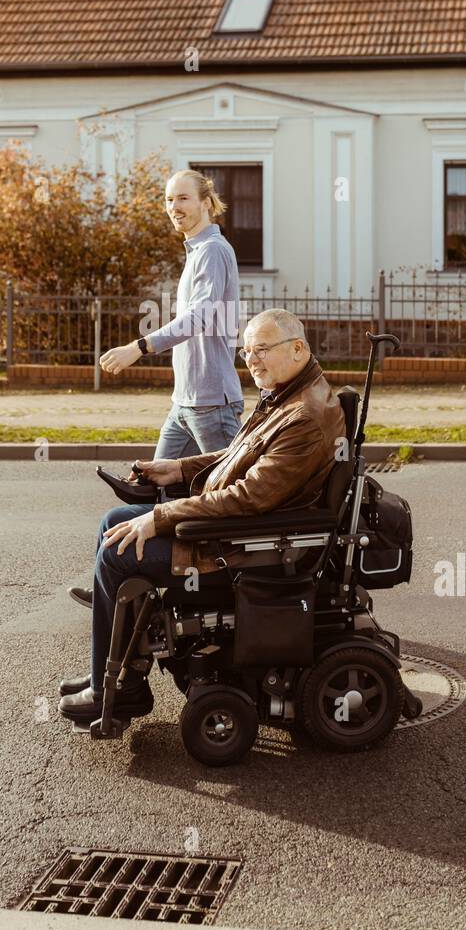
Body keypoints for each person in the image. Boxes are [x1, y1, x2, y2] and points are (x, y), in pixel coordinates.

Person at [58, 309, 346, 722]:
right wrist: (178, 468)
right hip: (237, 530)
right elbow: (241, 454)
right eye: (246, 351)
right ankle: (116, 671)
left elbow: (247, 498)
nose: (251, 360)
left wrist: (160, 517)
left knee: (116, 552)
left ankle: (117, 690)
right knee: (114, 521)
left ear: (298, 348)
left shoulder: (303, 417)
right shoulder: (289, 394)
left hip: (245, 548)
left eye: (262, 349)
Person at [99, 169, 245, 458]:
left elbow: (198, 318)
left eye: (183, 198)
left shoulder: (212, 250)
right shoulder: (197, 250)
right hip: (184, 402)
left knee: (229, 485)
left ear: (206, 203)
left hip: (212, 405)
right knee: (152, 481)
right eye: (169, 200)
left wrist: (139, 347)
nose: (174, 207)